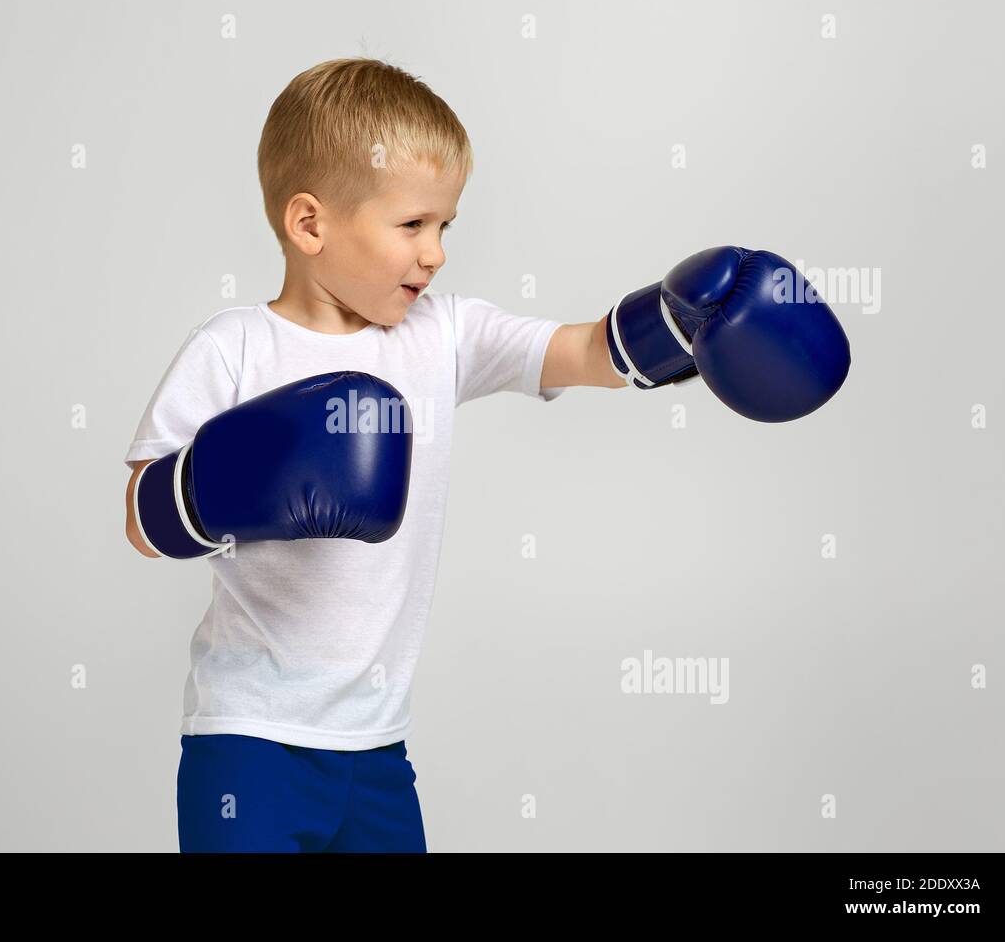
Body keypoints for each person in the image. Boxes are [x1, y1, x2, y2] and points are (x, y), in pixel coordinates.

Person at [122, 58, 849, 853]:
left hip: (376, 747)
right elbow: (140, 515)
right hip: (248, 741)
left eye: (445, 226)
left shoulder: (443, 333)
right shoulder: (234, 349)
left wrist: (683, 323)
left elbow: (576, 351)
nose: (434, 254)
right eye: (411, 226)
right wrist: (235, 480)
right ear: (310, 224)